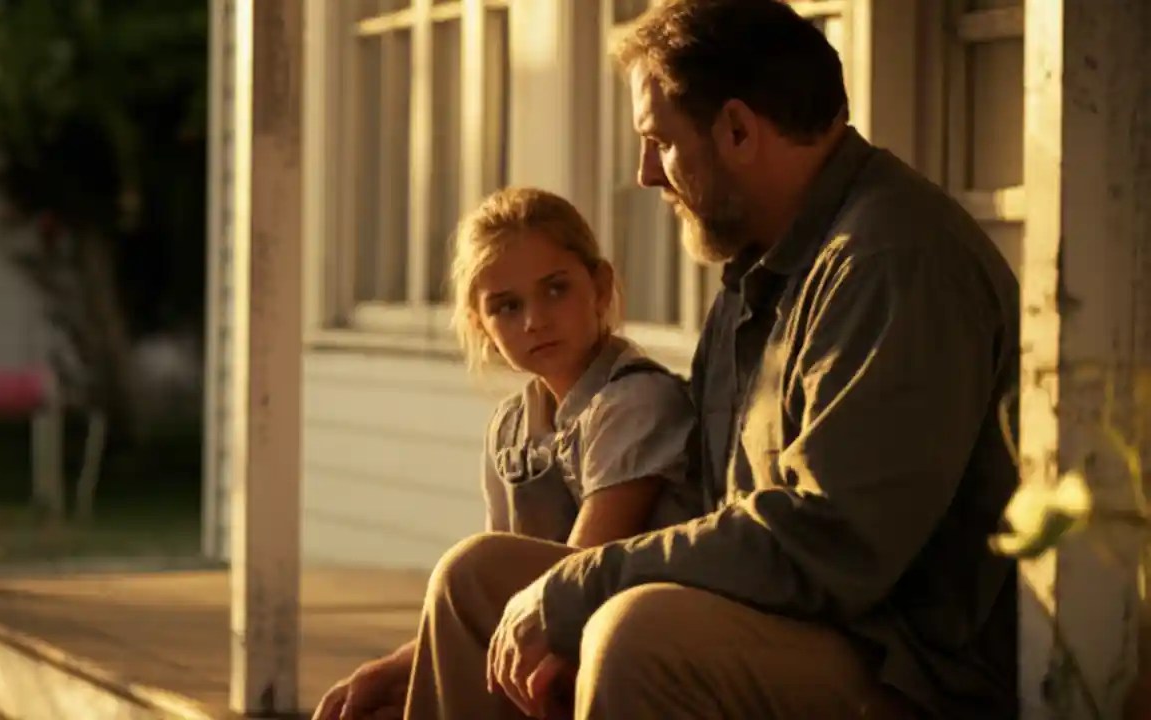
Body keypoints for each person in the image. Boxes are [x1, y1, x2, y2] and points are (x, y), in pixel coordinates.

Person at [402, 1, 1021, 718]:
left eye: (658, 141)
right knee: (476, 580)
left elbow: (830, 543)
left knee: (633, 634)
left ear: (736, 129)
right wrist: (420, 658)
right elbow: (707, 508)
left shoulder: (890, 262)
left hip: (900, 662)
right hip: (782, 618)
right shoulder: (758, 273)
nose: (644, 174)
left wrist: (587, 586)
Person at [313, 187, 704, 720]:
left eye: (556, 290)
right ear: (481, 324)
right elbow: (493, 595)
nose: (534, 321)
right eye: (507, 306)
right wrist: (397, 665)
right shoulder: (512, 426)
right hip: (542, 638)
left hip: (628, 632)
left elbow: (579, 571)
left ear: (601, 286)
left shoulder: (635, 400)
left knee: (470, 567)